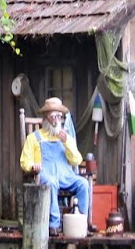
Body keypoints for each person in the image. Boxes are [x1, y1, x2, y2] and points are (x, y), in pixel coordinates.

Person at [19, 96, 91, 234]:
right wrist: (33, 166)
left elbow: (76, 160)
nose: (57, 120)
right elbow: (24, 162)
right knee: (51, 183)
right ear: (46, 117)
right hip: (46, 175)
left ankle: (81, 223)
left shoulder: (66, 138)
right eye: (53, 116)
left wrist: (66, 142)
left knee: (83, 184)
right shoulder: (34, 138)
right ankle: (54, 225)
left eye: (59, 116)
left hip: (66, 176)